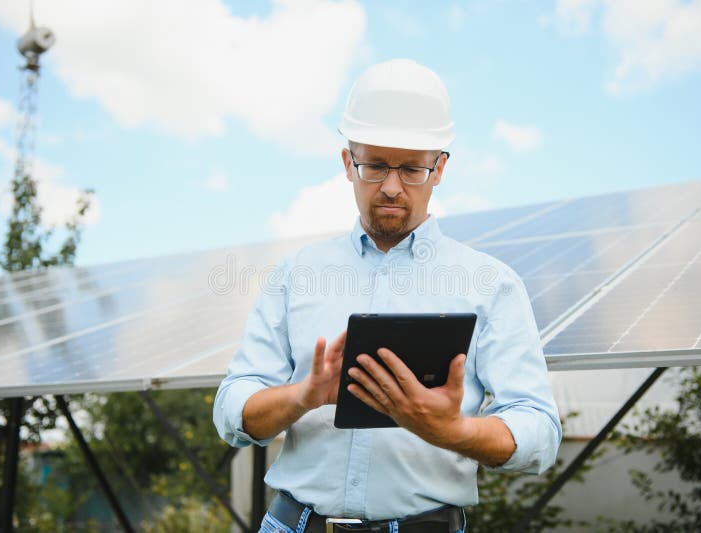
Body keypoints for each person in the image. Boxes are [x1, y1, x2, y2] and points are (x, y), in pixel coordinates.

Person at [213, 58, 561, 533]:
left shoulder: (491, 285)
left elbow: (538, 432)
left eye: (413, 168)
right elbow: (233, 407)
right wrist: (303, 396)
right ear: (347, 163)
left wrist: (453, 430)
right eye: (375, 165)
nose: (392, 187)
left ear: (439, 169)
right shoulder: (297, 274)